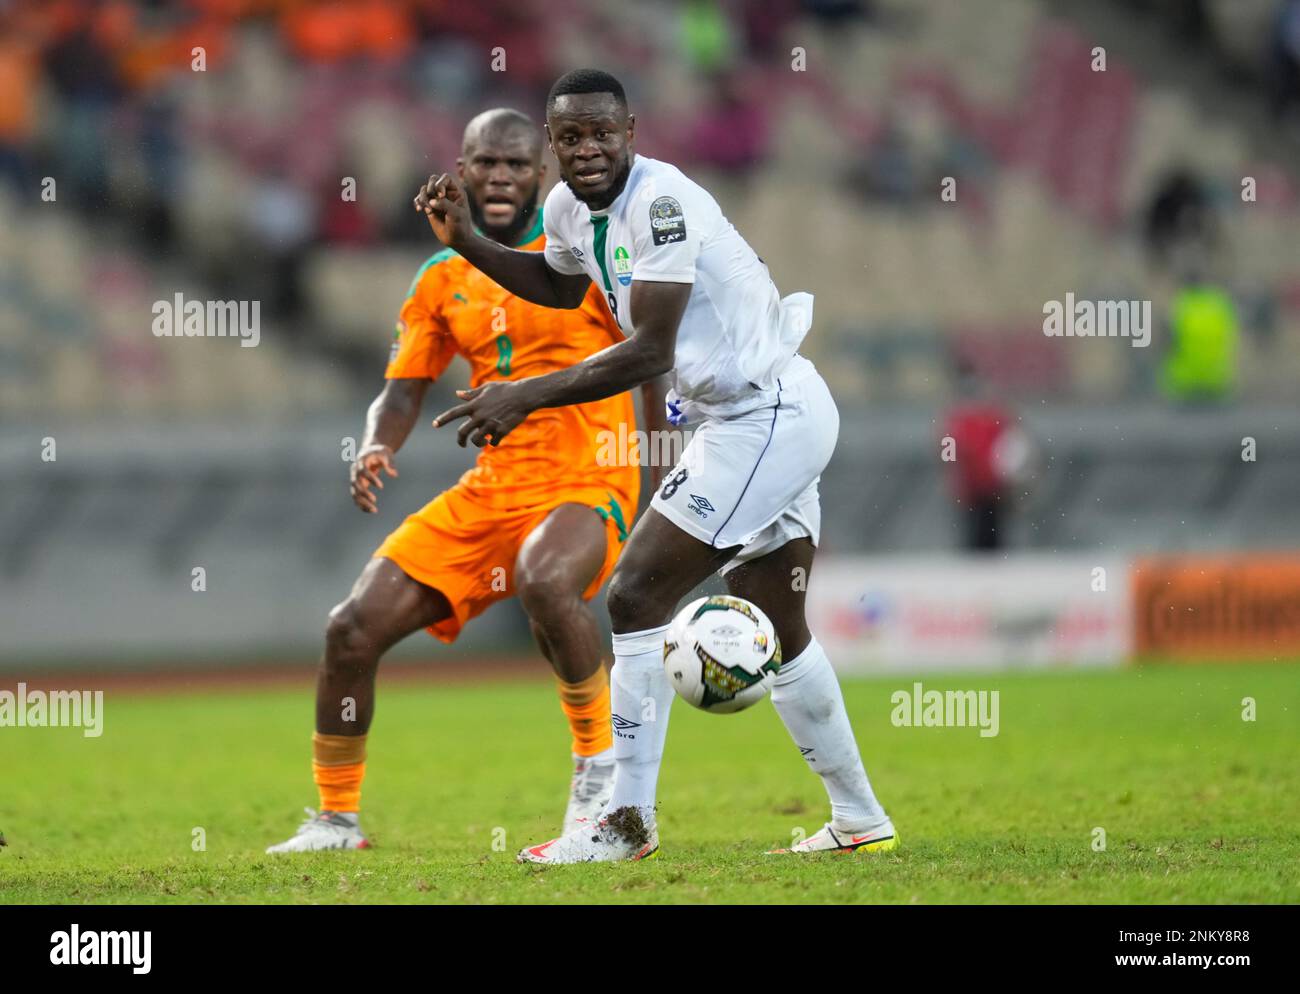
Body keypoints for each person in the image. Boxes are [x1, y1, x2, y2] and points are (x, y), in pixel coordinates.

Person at [417, 70, 896, 862]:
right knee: (780, 622)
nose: (589, 149)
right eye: (571, 137)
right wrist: (468, 241)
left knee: (635, 592)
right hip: (746, 417)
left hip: (766, 415)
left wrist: (525, 394)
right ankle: (860, 818)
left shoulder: (662, 202)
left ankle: (626, 823)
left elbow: (650, 350)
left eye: (603, 133)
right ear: (553, 144)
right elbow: (560, 287)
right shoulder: (567, 209)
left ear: (631, 132)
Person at [268, 108, 662, 853]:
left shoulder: (583, 255)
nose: (501, 176)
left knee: (545, 580)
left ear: (541, 174)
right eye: (486, 162)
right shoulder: (440, 278)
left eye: (516, 164)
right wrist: (375, 445)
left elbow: (650, 354)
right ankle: (335, 819)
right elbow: (402, 391)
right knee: (350, 628)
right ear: (462, 171)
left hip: (590, 474)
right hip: (493, 488)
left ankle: (599, 770)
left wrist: (662, 464)